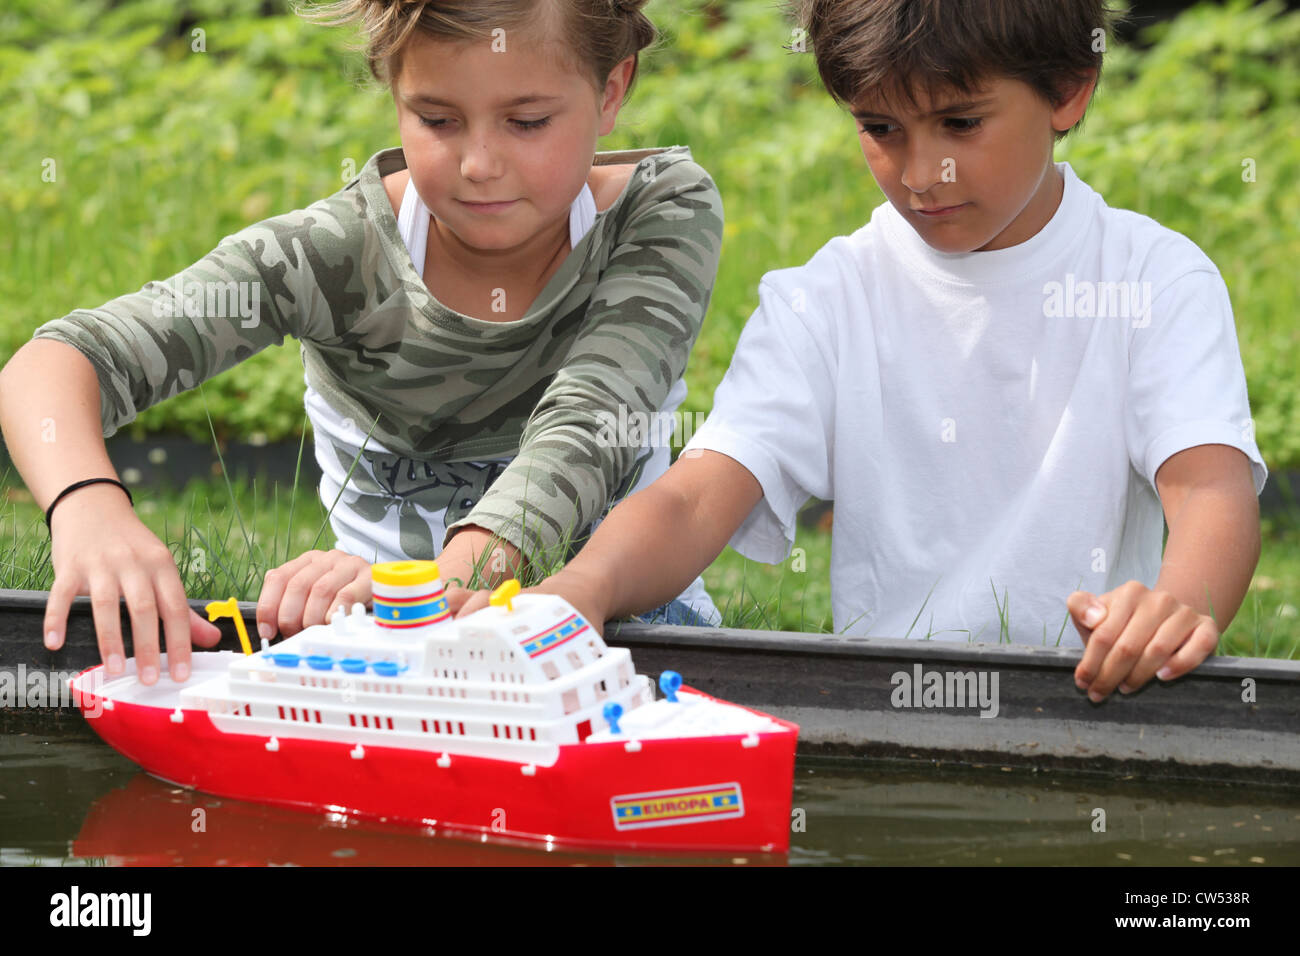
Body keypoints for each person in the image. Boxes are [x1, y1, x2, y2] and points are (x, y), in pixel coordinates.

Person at [457, 0, 1268, 703]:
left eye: (960, 123)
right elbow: (697, 495)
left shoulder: (1153, 278)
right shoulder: (826, 298)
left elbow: (1209, 491)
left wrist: (1178, 604)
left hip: (1093, 700)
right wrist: (581, 589)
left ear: (1067, 91)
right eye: (880, 129)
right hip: (890, 709)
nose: (920, 173)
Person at [0, 0, 725, 687]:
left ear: (612, 87)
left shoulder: (661, 213)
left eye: (527, 122)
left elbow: (594, 414)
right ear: (393, 88)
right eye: (437, 118)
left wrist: (462, 570)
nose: (479, 163)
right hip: (389, 653)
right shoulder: (336, 257)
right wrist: (87, 506)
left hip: (628, 640)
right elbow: (62, 359)